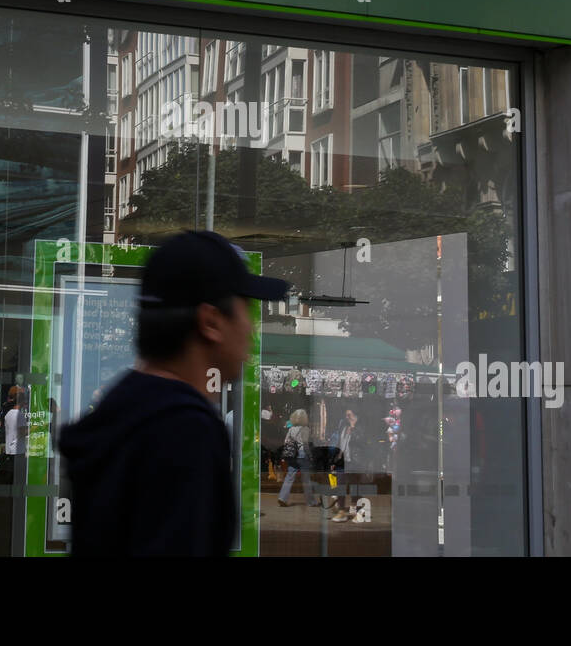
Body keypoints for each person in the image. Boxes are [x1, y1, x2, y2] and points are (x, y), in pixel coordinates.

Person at [58, 230, 288, 556]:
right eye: (246, 309)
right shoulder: (186, 430)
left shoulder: (122, 408)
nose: (251, 327)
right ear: (211, 322)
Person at [277, 409, 320, 508]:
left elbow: (286, 442)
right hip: (302, 455)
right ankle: (311, 502)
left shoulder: (291, 429)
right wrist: (310, 455)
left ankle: (282, 498)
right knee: (306, 480)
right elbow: (305, 445)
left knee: (289, 477)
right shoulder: (306, 429)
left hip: (292, 456)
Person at [328, 408, 365, 521]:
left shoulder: (360, 428)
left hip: (354, 461)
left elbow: (361, 442)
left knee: (354, 487)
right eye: (346, 415)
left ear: (356, 416)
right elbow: (340, 445)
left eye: (350, 415)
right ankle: (342, 512)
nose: (348, 417)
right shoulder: (343, 428)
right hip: (342, 462)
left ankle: (356, 512)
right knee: (340, 486)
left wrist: (353, 430)